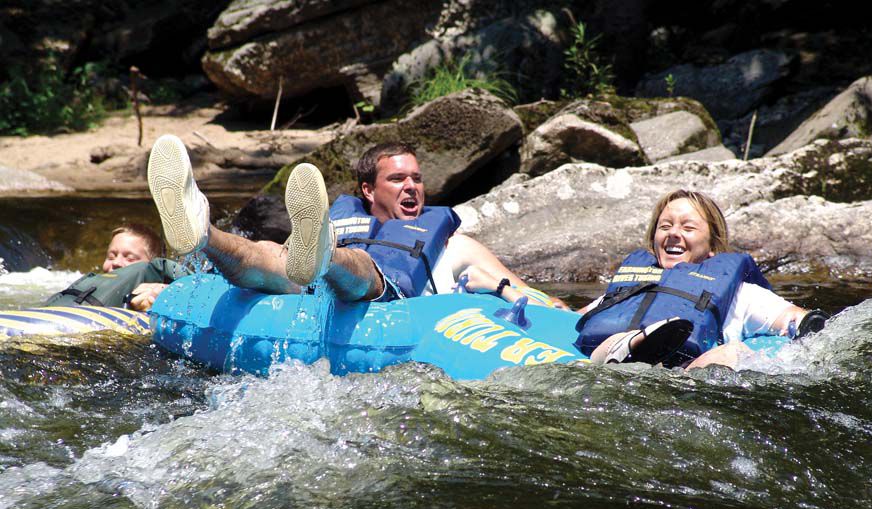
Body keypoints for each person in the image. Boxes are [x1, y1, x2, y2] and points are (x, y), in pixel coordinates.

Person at [146, 134, 554, 305]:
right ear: (368, 191)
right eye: (397, 179)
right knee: (272, 253)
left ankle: (325, 257)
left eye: (417, 178)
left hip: (382, 292)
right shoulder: (349, 219)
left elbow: (523, 293)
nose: (412, 186)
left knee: (358, 266)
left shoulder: (455, 245)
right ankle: (203, 232)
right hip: (306, 287)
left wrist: (563, 310)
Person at [574, 189, 825, 369]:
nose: (674, 233)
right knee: (613, 345)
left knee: (731, 353)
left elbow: (794, 319)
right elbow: (574, 315)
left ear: (712, 246)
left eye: (688, 228)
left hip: (688, 371)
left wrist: (811, 324)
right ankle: (632, 346)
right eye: (665, 227)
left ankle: (653, 358)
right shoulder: (631, 286)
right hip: (607, 357)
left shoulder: (743, 295)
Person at [43, 224, 185, 311]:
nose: (116, 263)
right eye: (111, 257)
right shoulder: (90, 289)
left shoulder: (168, 296)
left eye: (130, 258)